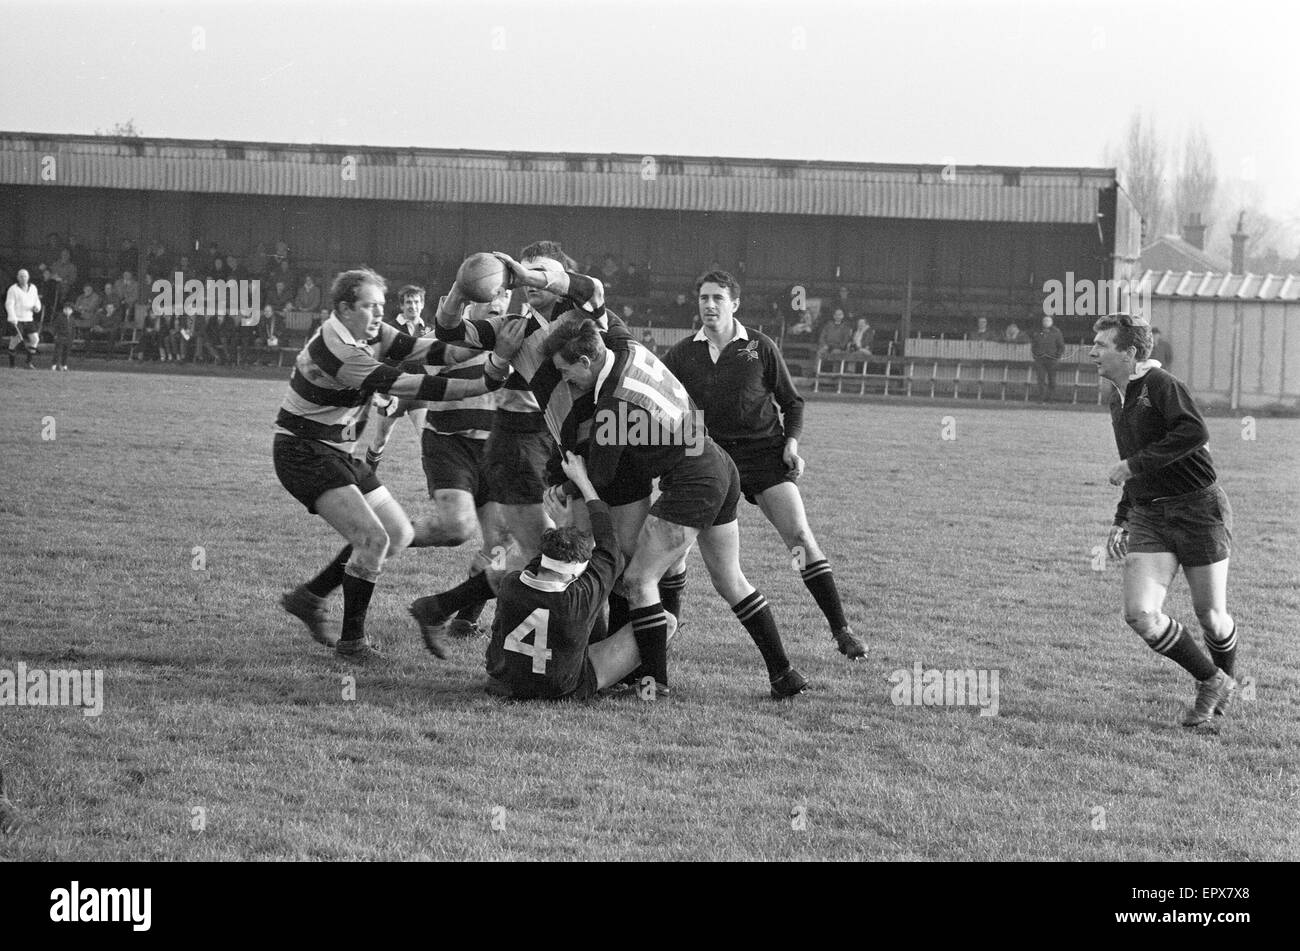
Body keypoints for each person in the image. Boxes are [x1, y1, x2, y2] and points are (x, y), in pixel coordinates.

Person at [539, 315, 809, 698]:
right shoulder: (625, 347)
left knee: (637, 580)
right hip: (716, 462)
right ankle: (785, 675)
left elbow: (599, 474)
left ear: (586, 362)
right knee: (730, 581)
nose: (569, 382)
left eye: (568, 374)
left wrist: (570, 481)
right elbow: (608, 315)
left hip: (693, 479)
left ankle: (654, 685)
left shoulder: (614, 400)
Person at [274, 268, 524, 662]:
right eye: (369, 306)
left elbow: (431, 351)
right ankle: (352, 643)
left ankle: (309, 597)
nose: (378, 314)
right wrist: (487, 379)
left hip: (336, 452)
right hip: (302, 451)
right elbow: (412, 385)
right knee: (373, 539)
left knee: (398, 533)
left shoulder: (371, 333)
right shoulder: (337, 348)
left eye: (380, 306)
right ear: (343, 308)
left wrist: (484, 341)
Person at [663, 270, 866, 660]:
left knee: (801, 541)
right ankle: (669, 631)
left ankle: (842, 631)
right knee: (676, 552)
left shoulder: (759, 346)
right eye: (704, 298)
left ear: (734, 304)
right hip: (710, 460)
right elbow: (664, 398)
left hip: (763, 455)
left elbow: (793, 403)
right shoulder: (684, 352)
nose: (709, 305)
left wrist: (791, 444)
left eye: (718, 298)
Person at [1092, 313, 1238, 727]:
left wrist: (1133, 466)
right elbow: (1136, 463)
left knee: (1210, 614)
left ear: (1130, 352)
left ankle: (1223, 683)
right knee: (1140, 613)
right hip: (1150, 514)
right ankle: (1212, 680)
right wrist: (1122, 517)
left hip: (1198, 509)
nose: (1092, 351)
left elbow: (1194, 432)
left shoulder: (1161, 385)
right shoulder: (1116, 396)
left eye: (1102, 345)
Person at [6, 268, 42, 369]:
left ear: (28, 277)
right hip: (17, 319)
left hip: (29, 319)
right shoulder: (13, 289)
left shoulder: (33, 288)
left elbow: (36, 300)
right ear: (17, 277)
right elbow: (9, 304)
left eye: (25, 276)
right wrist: (12, 316)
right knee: (15, 340)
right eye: (21, 276)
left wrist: (37, 307)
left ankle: (29, 362)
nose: (23, 278)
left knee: (35, 339)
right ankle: (12, 364)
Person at [1028, 314, 1066, 402]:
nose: (1046, 322)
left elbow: (1061, 346)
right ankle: (1041, 398)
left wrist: (1057, 356)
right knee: (1040, 379)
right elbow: (1034, 345)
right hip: (1040, 360)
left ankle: (1050, 398)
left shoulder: (1057, 332)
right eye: (1045, 321)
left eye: (1048, 321)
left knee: (1052, 380)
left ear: (1052, 322)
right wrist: (1036, 355)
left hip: (1052, 360)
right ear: (1042, 322)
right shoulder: (1037, 332)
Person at [50, 302, 74, 371]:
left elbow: (73, 329)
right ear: (63, 310)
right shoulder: (60, 318)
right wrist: (55, 335)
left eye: (69, 309)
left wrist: (72, 338)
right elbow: (55, 327)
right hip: (60, 337)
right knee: (58, 352)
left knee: (66, 353)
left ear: (72, 311)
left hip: (68, 338)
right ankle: (54, 365)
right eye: (66, 309)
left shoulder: (72, 319)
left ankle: (64, 365)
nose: (67, 311)